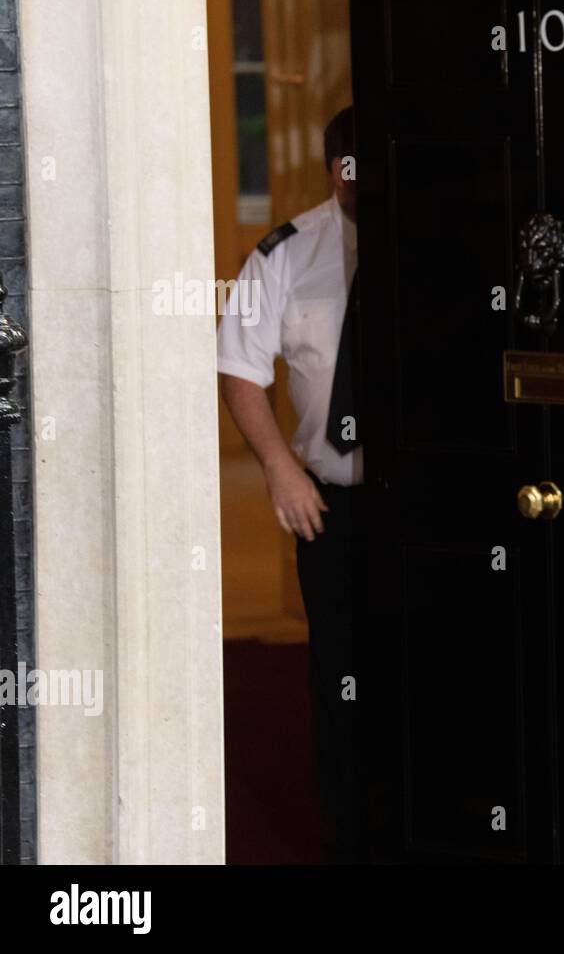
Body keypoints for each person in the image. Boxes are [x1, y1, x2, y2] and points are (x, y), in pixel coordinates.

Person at [216, 105, 364, 863]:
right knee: (339, 671)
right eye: (350, 167)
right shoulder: (282, 255)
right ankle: (349, 830)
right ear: (333, 168)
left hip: (438, 505)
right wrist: (278, 467)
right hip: (331, 502)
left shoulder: (456, 242)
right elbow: (239, 368)